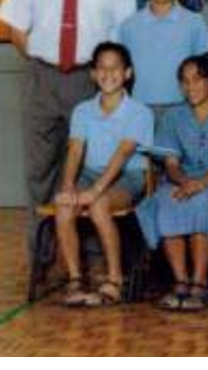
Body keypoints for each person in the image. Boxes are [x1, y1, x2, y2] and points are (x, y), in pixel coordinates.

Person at [0, 0, 137, 257]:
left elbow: (124, 35)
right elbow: (15, 27)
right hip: (43, 78)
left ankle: (86, 252)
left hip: (89, 81)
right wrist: (42, 60)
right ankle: (41, 254)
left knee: (86, 164)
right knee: (39, 169)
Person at [136, 55, 208, 312]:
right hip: (180, 181)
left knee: (202, 202)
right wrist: (186, 182)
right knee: (167, 200)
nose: (190, 87)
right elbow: (171, 164)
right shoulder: (173, 116)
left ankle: (199, 282)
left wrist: (200, 184)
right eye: (185, 81)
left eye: (197, 80)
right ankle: (181, 282)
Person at [54, 42, 153, 307]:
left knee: (99, 205)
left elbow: (123, 154)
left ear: (128, 73)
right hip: (90, 174)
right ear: (93, 73)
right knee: (64, 206)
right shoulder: (83, 110)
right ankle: (75, 280)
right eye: (101, 68)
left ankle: (115, 280)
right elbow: (75, 150)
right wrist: (69, 186)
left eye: (115, 68)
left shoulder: (140, 112)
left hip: (127, 175)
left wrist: (96, 190)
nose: (108, 74)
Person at [115, 0, 208, 119]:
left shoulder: (194, 22)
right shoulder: (129, 26)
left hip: (183, 106)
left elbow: (204, 68)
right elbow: (122, 70)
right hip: (139, 108)